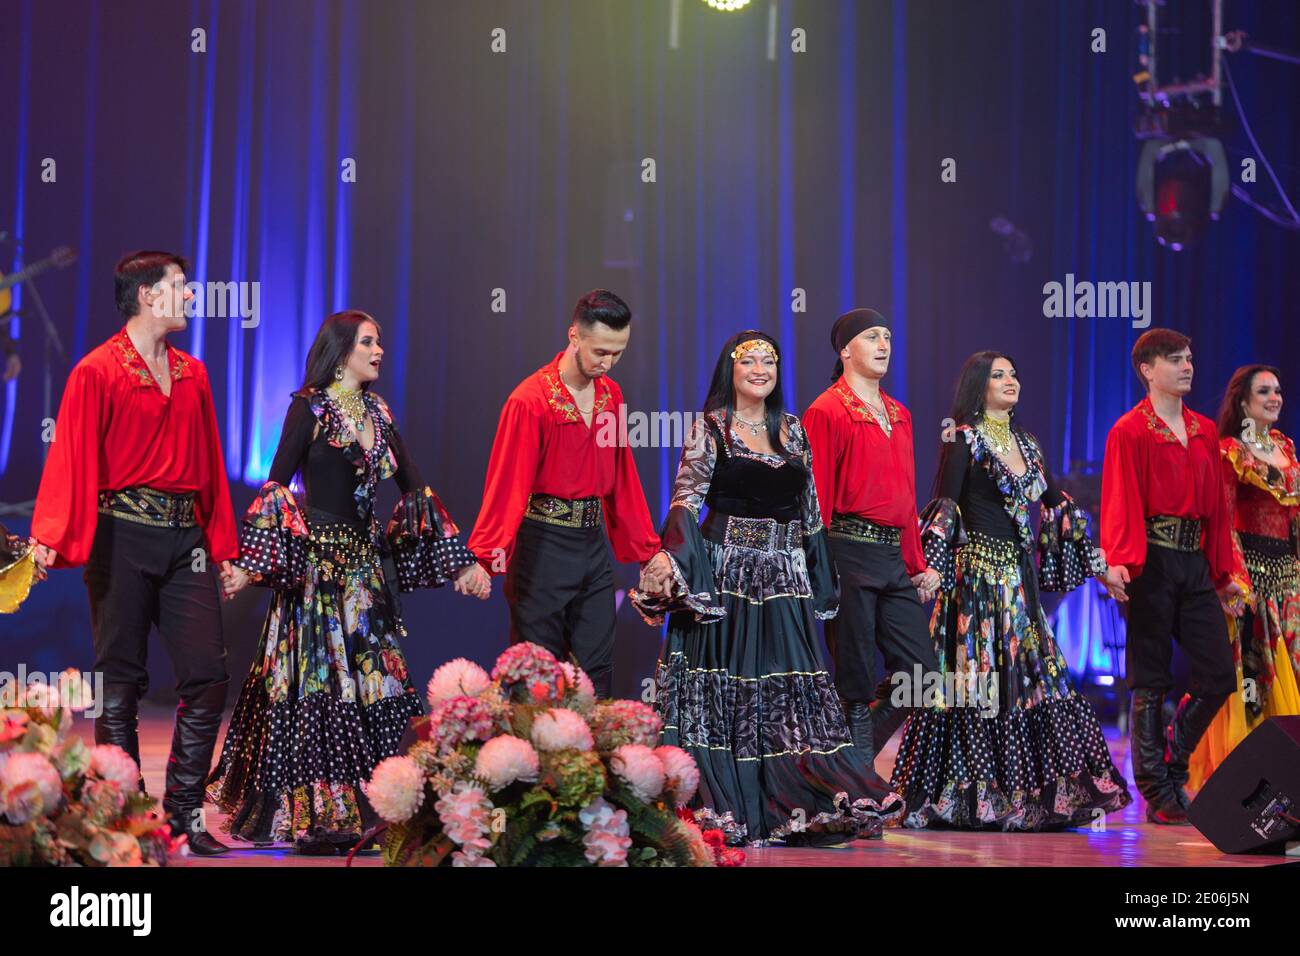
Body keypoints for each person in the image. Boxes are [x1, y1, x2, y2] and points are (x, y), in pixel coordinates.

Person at [210, 310, 489, 853]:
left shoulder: (380, 414)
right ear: (341, 353)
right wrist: (252, 565)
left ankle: (382, 807)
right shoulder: (308, 407)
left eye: (380, 341)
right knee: (324, 690)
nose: (379, 350)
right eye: (368, 342)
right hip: (315, 581)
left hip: (364, 579)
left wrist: (463, 563)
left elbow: (415, 490)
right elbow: (275, 488)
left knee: (378, 687)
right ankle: (320, 817)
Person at [633, 330, 904, 846]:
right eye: (750, 361)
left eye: (770, 362)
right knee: (727, 688)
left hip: (783, 576)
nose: (761, 369)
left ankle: (795, 798)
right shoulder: (710, 427)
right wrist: (675, 559)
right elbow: (686, 499)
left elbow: (811, 512)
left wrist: (819, 576)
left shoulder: (793, 430)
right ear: (730, 371)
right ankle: (726, 801)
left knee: (788, 689)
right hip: (727, 573)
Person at [29, 250, 238, 854]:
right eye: (181, 286)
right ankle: (125, 814)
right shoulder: (96, 371)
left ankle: (184, 813)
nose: (191, 296)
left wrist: (224, 549)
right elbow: (70, 458)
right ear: (148, 295)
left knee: (207, 676)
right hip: (121, 538)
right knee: (121, 683)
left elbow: (210, 470)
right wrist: (50, 538)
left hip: (186, 542)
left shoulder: (194, 374)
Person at [891, 351, 1132, 830]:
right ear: (978, 386)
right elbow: (945, 505)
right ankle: (971, 798)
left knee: (1031, 686)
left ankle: (1021, 798)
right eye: (998, 374)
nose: (1010, 381)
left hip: (1018, 588)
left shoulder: (1028, 444)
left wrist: (1102, 565)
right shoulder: (963, 439)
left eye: (1014, 374)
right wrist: (930, 570)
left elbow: (1056, 505)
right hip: (975, 585)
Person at [467, 290, 661, 697]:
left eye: (618, 353)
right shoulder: (531, 400)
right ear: (574, 335)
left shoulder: (612, 396)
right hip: (542, 548)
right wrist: (485, 557)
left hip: (592, 547)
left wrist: (646, 553)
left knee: (596, 668)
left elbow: (623, 479)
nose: (608, 363)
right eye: (600, 352)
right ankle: (532, 760)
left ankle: (591, 760)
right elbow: (507, 484)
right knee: (536, 673)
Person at [1101, 328, 1241, 824]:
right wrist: (1119, 560)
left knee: (1219, 676)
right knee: (1151, 679)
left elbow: (1218, 512)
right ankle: (1158, 792)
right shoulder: (1130, 430)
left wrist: (1224, 571)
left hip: (1195, 561)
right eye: (1176, 360)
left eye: (1189, 359)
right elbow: (1120, 497)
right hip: (1153, 560)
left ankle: (1172, 763)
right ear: (1147, 370)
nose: (1188, 367)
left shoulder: (1204, 431)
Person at [801, 308, 941, 773]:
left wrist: (916, 563)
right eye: (871, 337)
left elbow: (905, 496)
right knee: (856, 676)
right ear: (845, 350)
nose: (884, 345)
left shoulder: (899, 413)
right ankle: (858, 783)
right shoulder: (826, 410)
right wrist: (818, 566)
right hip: (846, 549)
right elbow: (814, 496)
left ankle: (846, 765)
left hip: (891, 556)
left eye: (887, 336)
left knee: (921, 675)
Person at [1187, 365, 1300, 788]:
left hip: (1290, 584)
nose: (1275, 398)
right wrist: (1231, 578)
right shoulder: (1232, 452)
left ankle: (1289, 778)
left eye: (1278, 390)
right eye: (1264, 391)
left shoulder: (1285, 448)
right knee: (1253, 679)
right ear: (1243, 401)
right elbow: (1223, 520)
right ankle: (1247, 781)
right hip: (1251, 582)